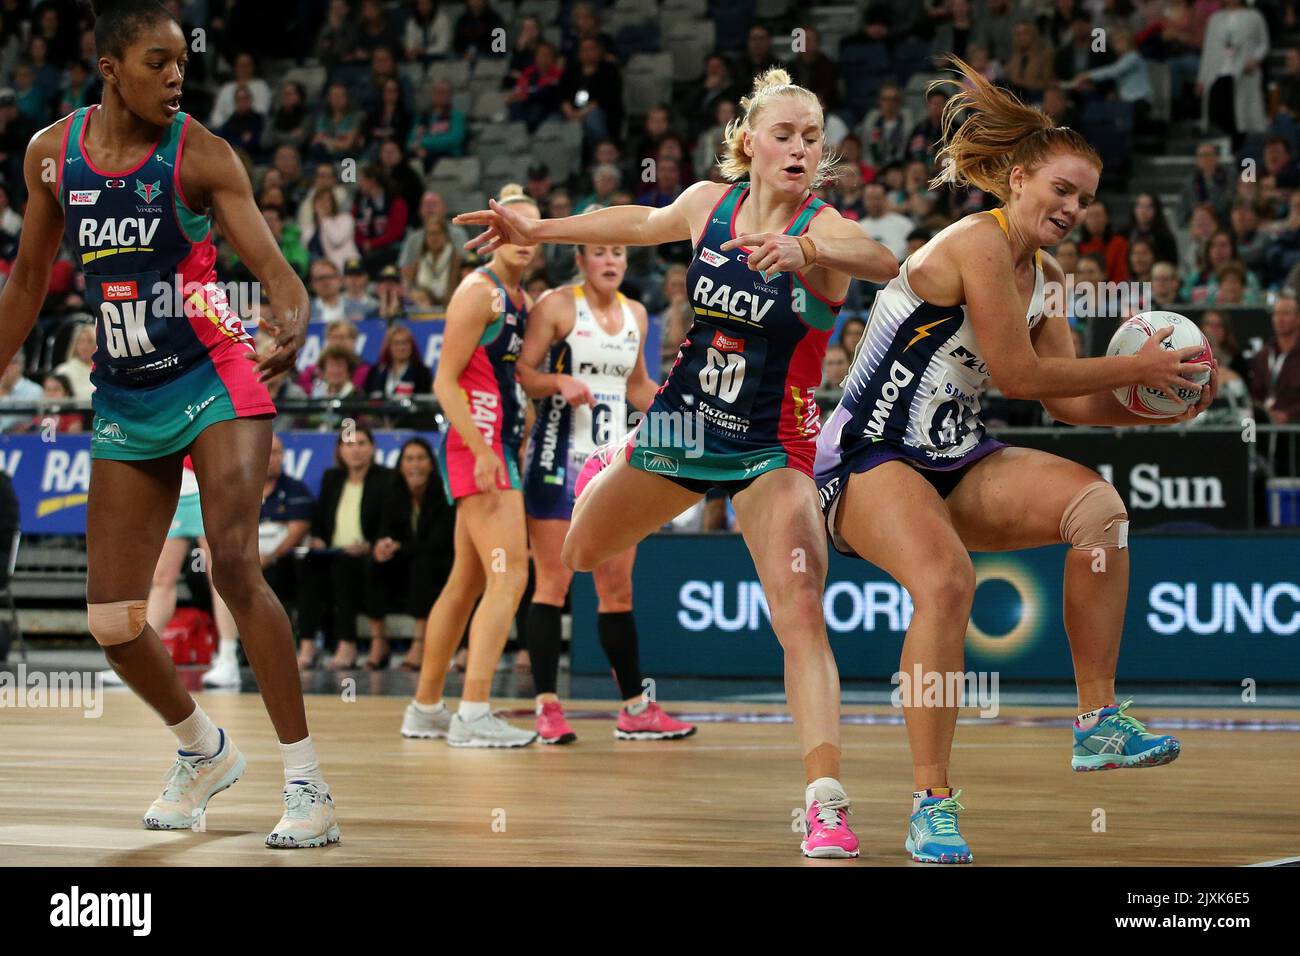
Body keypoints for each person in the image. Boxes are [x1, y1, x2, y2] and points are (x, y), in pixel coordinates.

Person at [454, 69, 898, 855]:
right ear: (750, 143)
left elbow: (880, 260)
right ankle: (620, 461)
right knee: (583, 554)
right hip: (684, 429)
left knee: (798, 609)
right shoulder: (707, 205)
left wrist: (802, 248)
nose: (799, 147)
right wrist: (538, 231)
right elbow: (635, 221)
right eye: (784, 134)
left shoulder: (824, 230)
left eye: (812, 138)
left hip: (772, 448)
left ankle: (826, 803)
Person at [814, 57, 1216, 864]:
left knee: (1098, 510)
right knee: (947, 581)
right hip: (867, 453)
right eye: (1061, 191)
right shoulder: (975, 243)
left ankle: (1097, 722)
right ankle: (932, 804)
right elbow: (1018, 375)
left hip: (954, 452)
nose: (1073, 208)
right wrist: (1136, 368)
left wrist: (1154, 407)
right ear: (1020, 178)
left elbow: (1064, 402)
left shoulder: (1050, 275)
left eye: (1085, 199)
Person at [0, 0, 338, 847]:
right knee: (112, 621)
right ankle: (202, 750)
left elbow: (277, 275)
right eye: (156, 62)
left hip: (216, 372)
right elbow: (28, 279)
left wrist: (290, 327)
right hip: (124, 392)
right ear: (108, 67)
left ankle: (308, 785)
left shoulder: (202, 155)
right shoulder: (52, 157)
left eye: (181, 61)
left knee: (232, 561)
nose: (176, 75)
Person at [514, 244, 697, 744]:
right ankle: (547, 707)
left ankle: (635, 708)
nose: (611, 260)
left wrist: (677, 407)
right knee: (553, 582)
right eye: (600, 252)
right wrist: (558, 381)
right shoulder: (555, 306)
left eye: (618, 252)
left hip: (610, 466)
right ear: (581, 260)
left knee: (618, 589)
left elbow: (636, 386)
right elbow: (523, 374)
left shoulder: (636, 313)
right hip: (556, 459)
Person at [402, 183, 540, 748]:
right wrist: (484, 451)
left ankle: (426, 708)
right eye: (514, 228)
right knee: (511, 576)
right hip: (478, 451)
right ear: (493, 236)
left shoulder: (521, 302)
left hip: (497, 447)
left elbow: (506, 380)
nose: (526, 240)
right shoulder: (477, 293)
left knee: (466, 582)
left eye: (535, 229)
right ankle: (473, 711)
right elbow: (442, 381)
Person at [302, 425, 394, 669]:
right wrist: (317, 538)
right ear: (340, 450)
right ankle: (307, 644)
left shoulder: (386, 478)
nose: (356, 450)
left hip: (367, 555)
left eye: (362, 443)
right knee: (308, 566)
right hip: (332, 552)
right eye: (349, 444)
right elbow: (320, 521)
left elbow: (390, 522)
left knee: (343, 568)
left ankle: (347, 643)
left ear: (373, 448)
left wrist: (369, 545)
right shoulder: (332, 478)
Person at [375, 437, 455, 671]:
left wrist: (400, 547)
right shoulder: (392, 492)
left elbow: (439, 543)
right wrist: (382, 545)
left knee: (424, 564)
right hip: (404, 562)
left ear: (431, 464)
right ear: (401, 465)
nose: (415, 465)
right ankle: (378, 641)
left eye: (421, 458)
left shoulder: (443, 493)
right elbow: (385, 530)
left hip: (438, 562)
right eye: (409, 459)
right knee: (373, 563)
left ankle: (419, 643)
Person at [1250, 291, 1300, 424]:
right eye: (1276, 314)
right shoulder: (1264, 355)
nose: (1280, 319)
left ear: (1298, 318)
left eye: (1286, 313)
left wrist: (1289, 415)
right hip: (1265, 423)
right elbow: (1256, 392)